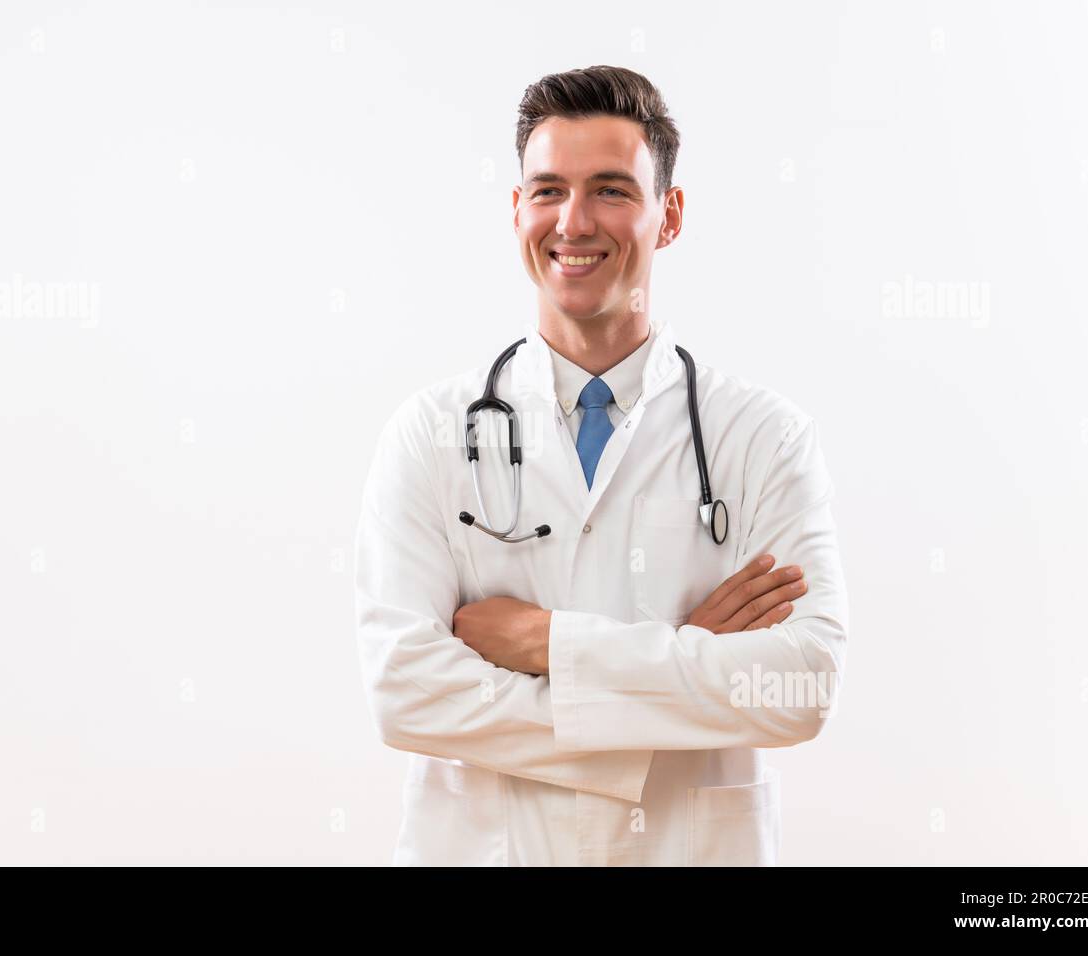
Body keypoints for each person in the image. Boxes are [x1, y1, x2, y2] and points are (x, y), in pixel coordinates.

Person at [354, 65, 849, 866]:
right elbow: (404, 691)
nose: (574, 222)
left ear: (670, 214)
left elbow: (801, 685)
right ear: (517, 208)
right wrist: (684, 660)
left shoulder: (764, 438)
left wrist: (547, 643)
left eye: (612, 190)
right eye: (547, 190)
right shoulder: (427, 434)